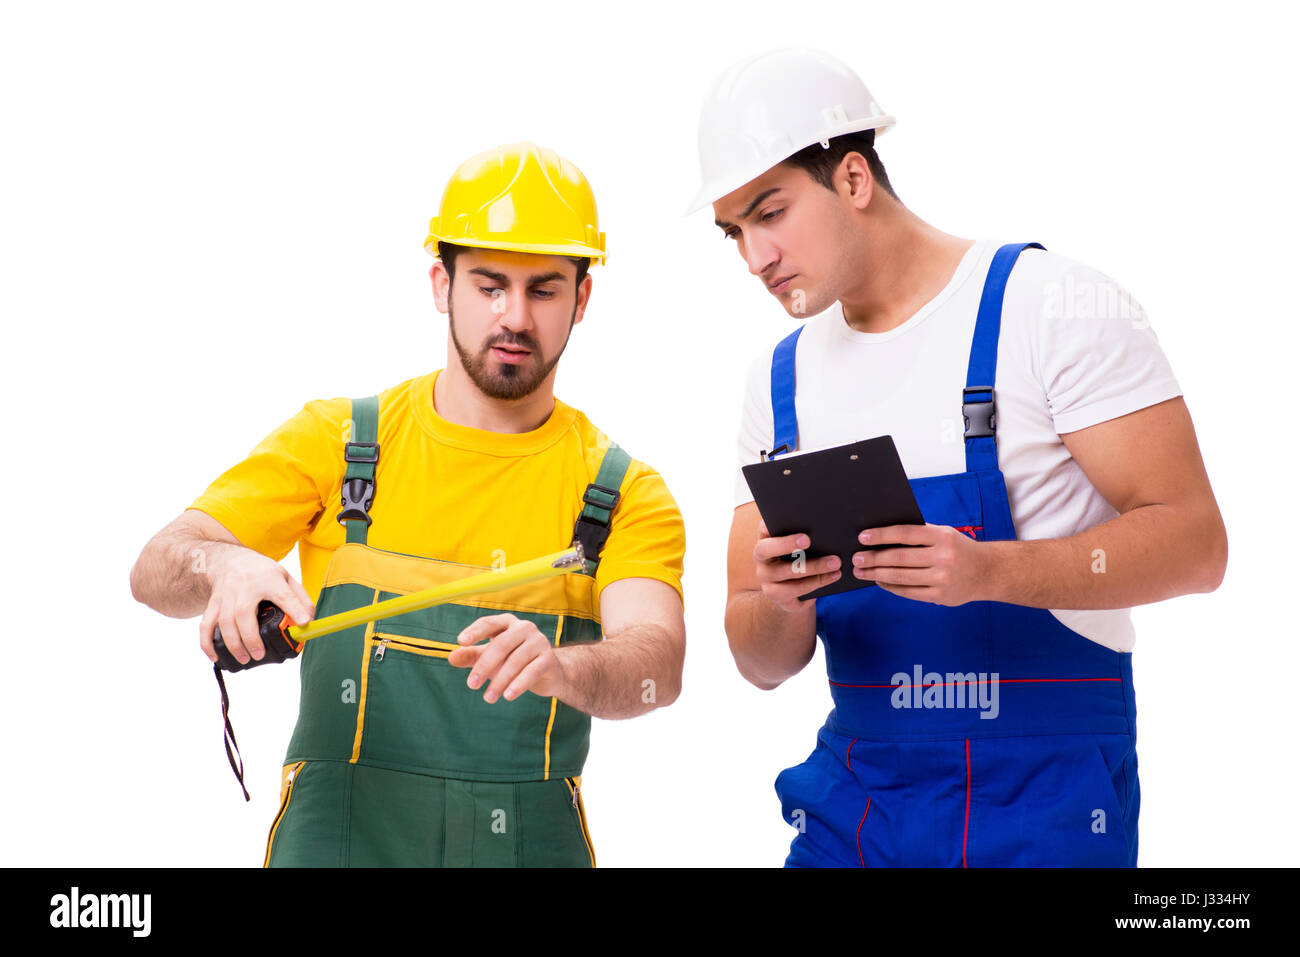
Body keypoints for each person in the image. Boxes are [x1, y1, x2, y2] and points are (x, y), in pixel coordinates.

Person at [689, 48, 1227, 867]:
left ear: (855, 179)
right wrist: (781, 601)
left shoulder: (1045, 308)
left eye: (771, 213)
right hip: (855, 810)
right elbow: (757, 661)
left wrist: (990, 572)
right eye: (734, 232)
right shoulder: (780, 381)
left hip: (1044, 806)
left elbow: (1197, 546)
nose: (753, 258)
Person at [130, 141, 687, 867]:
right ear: (440, 282)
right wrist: (225, 563)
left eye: (544, 289)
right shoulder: (343, 442)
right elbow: (154, 567)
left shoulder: (623, 492)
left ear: (582, 298)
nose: (514, 316)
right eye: (489, 285)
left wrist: (562, 669)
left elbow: (658, 665)